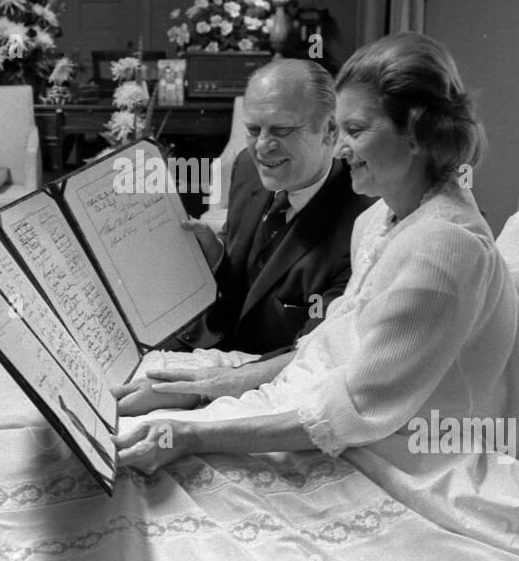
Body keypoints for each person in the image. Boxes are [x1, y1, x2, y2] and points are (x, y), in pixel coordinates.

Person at [115, 32, 519, 473]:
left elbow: (354, 411)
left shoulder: (443, 247)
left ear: (417, 134)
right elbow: (325, 347)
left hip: (415, 451)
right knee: (129, 415)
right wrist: (206, 388)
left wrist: (191, 434)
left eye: (355, 130)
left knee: (145, 473)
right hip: (322, 404)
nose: (340, 148)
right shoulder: (381, 218)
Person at [117, 57, 374, 414]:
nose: (262, 147)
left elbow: (320, 354)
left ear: (330, 130)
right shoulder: (247, 169)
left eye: (281, 130)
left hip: (268, 384)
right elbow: (245, 285)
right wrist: (216, 256)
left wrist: (195, 390)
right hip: (202, 346)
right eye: (253, 130)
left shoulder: (365, 223)